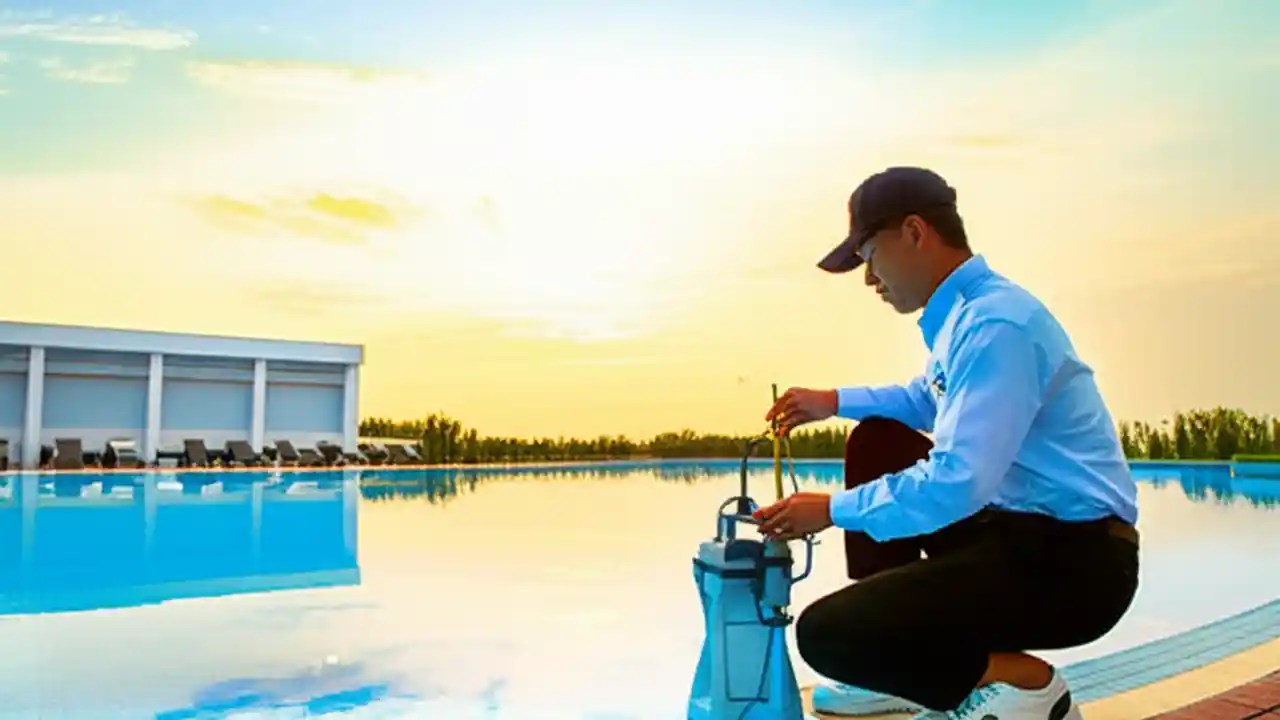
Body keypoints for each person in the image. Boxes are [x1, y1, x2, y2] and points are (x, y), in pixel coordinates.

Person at [753, 166, 1140, 719]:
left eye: (869, 255)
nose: (869, 278)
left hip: (1075, 566)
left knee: (827, 635)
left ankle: (1028, 685)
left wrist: (832, 510)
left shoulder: (996, 325)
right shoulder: (967, 316)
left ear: (914, 232)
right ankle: (906, 671)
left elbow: (957, 480)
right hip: (1021, 535)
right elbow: (924, 399)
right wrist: (831, 401)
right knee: (877, 440)